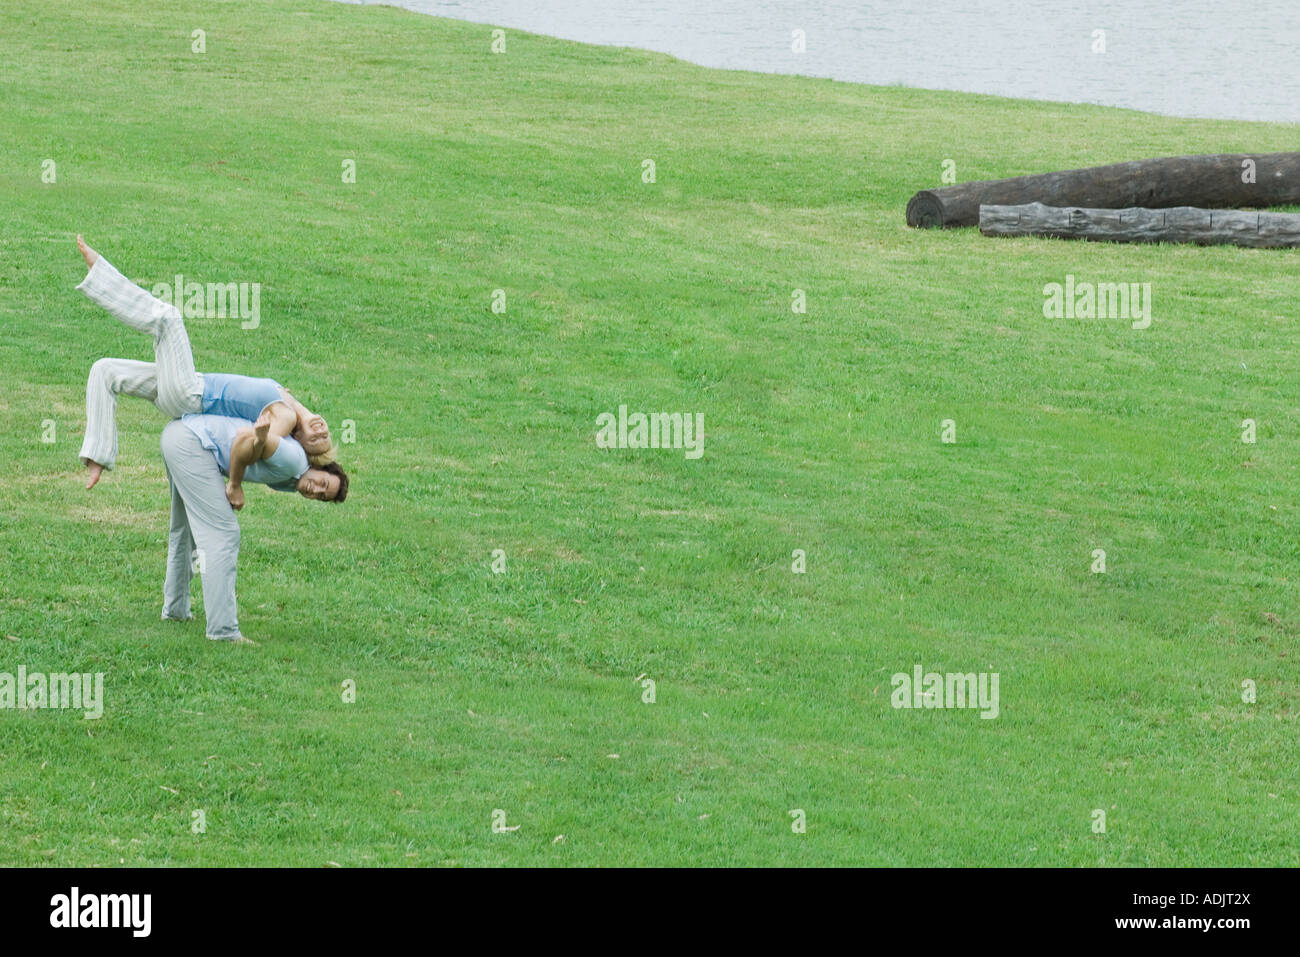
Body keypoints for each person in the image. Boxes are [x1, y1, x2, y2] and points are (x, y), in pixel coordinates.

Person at [73, 236, 336, 489]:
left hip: (193, 395)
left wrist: (249, 460)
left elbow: (262, 444)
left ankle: (100, 276)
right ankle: (98, 454)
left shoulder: (286, 417)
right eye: (326, 436)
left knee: (169, 318)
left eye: (315, 441)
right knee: (105, 370)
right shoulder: (285, 399)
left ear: (298, 437)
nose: (321, 432)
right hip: (190, 388)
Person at [159, 413, 349, 644]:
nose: (316, 490)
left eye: (321, 496)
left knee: (184, 529)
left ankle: (176, 611)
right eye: (323, 483)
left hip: (180, 435)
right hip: (192, 444)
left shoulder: (293, 477)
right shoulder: (294, 461)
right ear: (319, 467)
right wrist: (234, 485)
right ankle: (224, 631)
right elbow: (243, 438)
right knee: (223, 534)